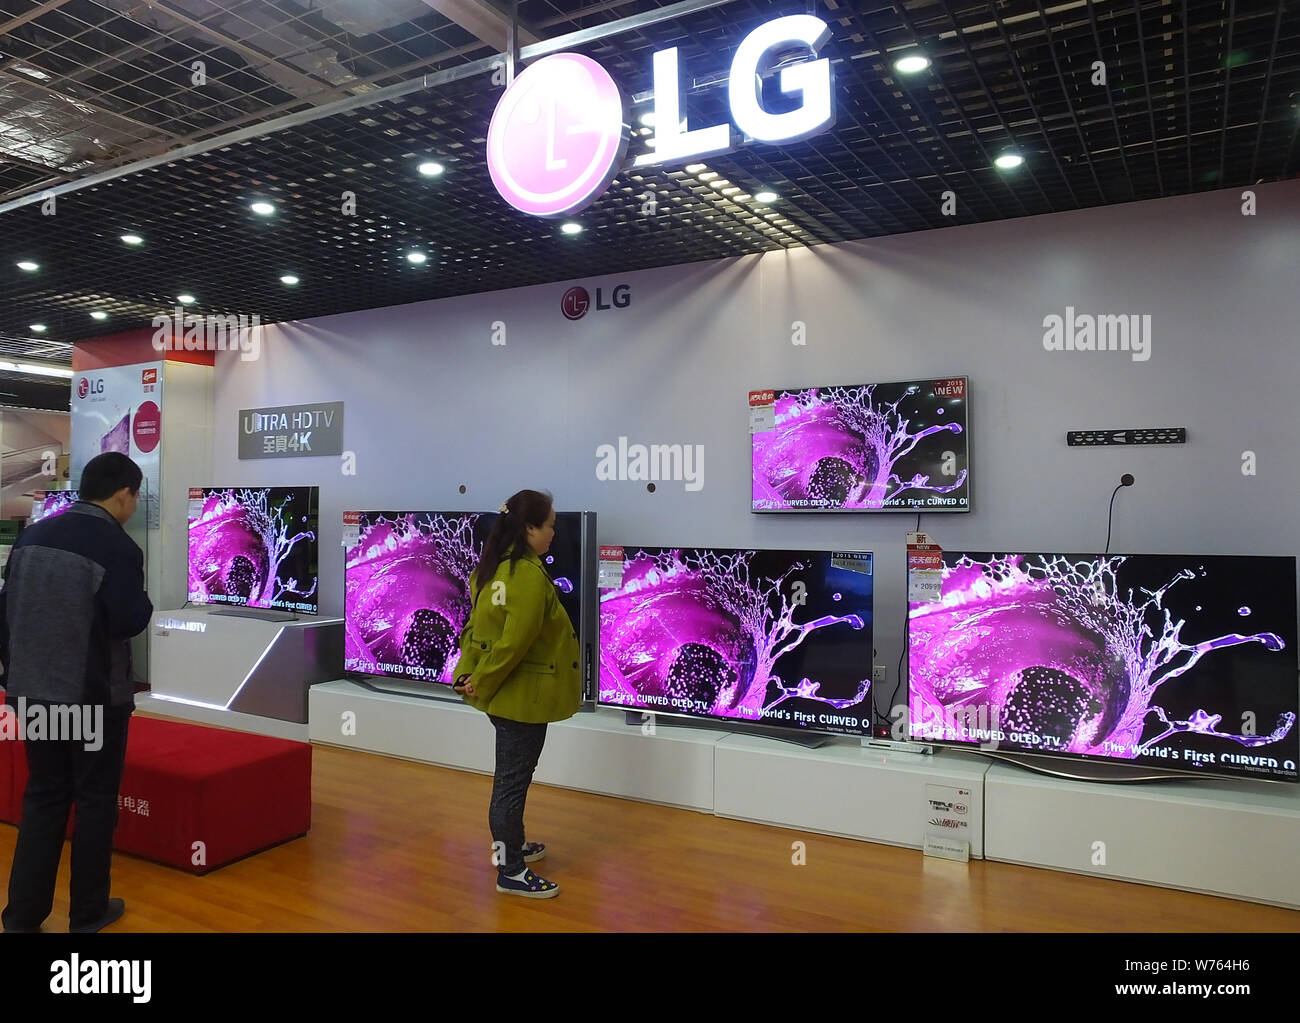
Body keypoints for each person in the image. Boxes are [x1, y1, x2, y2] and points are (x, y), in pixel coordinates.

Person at [0, 452, 153, 933]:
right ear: (123, 494)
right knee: (94, 802)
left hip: (32, 693)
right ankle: (87, 913)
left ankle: (22, 916)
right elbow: (129, 620)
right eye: (135, 497)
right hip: (91, 701)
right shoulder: (116, 547)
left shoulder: (33, 537)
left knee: (43, 798)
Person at [453, 490, 581, 898]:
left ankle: (513, 844)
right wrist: (483, 679)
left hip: (505, 693)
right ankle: (510, 870)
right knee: (510, 782)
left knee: (514, 777)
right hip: (521, 696)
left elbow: (476, 630)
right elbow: (514, 643)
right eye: (549, 526)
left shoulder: (492, 568)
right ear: (529, 528)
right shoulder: (524, 575)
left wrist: (469, 673)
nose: (553, 534)